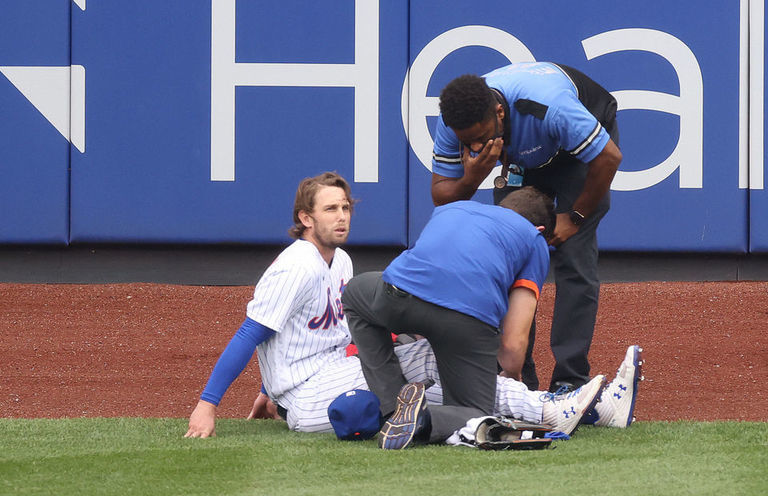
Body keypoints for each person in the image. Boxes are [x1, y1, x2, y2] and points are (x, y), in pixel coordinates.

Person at [185, 173, 640, 439]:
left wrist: (268, 389)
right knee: (436, 379)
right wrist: (208, 405)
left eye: (345, 206)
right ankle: (552, 409)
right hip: (309, 396)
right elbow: (252, 333)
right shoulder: (296, 266)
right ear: (305, 219)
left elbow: (314, 335)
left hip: (324, 376)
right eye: (329, 210)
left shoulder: (340, 261)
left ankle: (556, 406)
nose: (341, 216)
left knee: (426, 353)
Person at [342, 187, 608, 449]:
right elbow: (514, 343)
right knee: (475, 412)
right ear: (541, 231)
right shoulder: (534, 239)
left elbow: (430, 267)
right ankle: (423, 418)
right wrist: (512, 374)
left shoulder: (452, 208)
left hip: (398, 296)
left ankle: (391, 407)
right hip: (466, 322)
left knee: (354, 294)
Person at [432, 62, 623, 393]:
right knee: (508, 258)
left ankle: (570, 381)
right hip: (522, 161)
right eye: (468, 143)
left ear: (499, 113)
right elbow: (442, 196)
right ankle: (516, 380)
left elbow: (608, 158)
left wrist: (575, 216)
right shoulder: (456, 120)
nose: (475, 149)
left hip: (577, 157)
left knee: (573, 257)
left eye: (480, 138)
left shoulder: (549, 106)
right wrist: (474, 176)